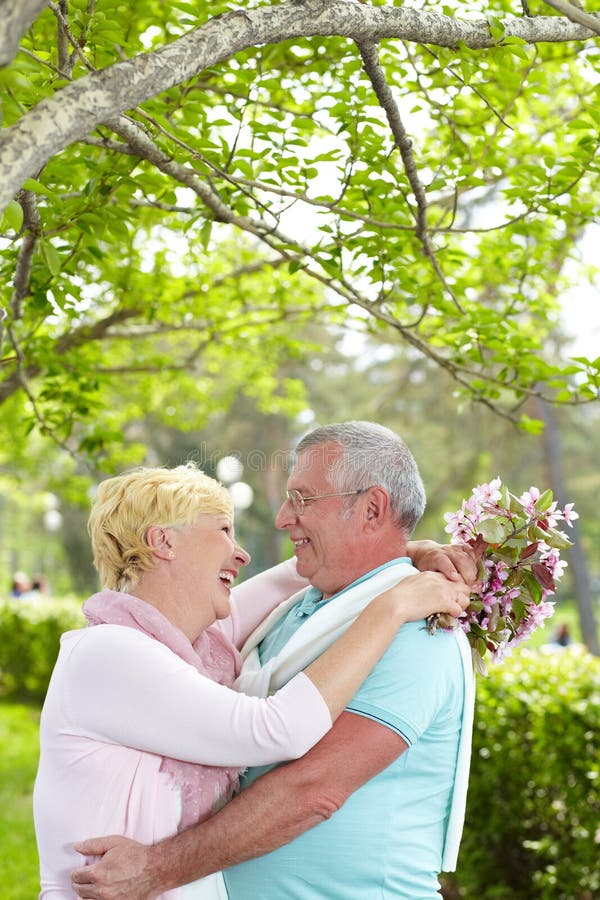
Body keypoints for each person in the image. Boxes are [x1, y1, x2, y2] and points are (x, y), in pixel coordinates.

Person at [72, 422, 479, 900]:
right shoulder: (291, 609)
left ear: (371, 509)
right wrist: (411, 551)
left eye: (303, 499)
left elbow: (312, 790)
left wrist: (157, 869)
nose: (284, 517)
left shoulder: (417, 628)